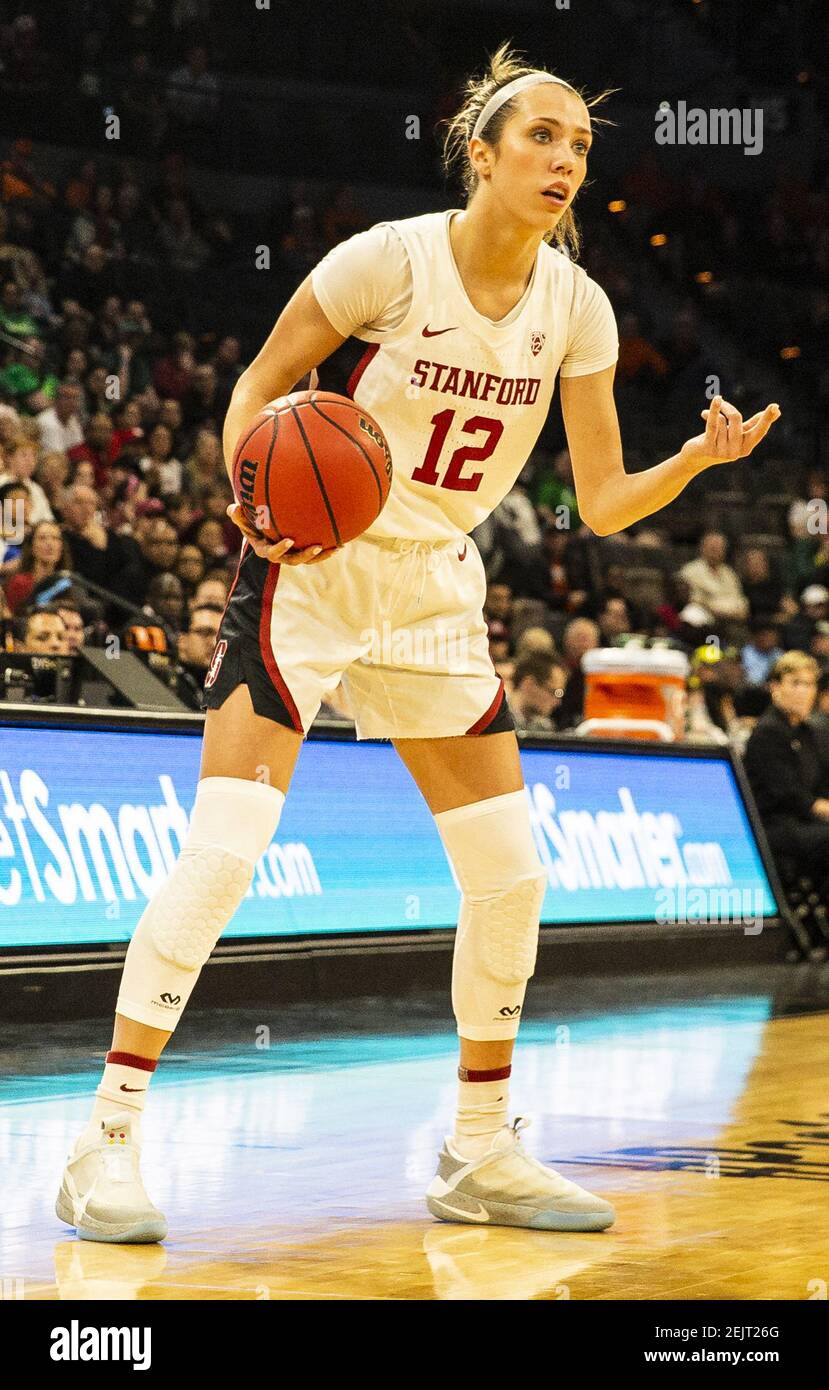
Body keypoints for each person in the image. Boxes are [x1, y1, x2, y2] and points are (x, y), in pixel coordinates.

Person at [57, 45, 782, 1245]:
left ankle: (479, 1149)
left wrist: (697, 461)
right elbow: (259, 387)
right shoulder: (385, 261)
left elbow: (597, 502)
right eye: (541, 137)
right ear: (480, 154)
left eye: (581, 146)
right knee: (227, 852)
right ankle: (107, 1139)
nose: (564, 160)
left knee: (511, 878)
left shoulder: (578, 308)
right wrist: (253, 505)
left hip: (439, 582)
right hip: (313, 571)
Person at [743, 652, 829, 892]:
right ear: (775, 687)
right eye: (796, 683)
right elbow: (789, 795)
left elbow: (822, 783)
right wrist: (821, 808)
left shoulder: (808, 732)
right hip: (773, 825)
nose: (804, 691)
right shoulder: (767, 732)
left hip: (805, 822)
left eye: (809, 684)